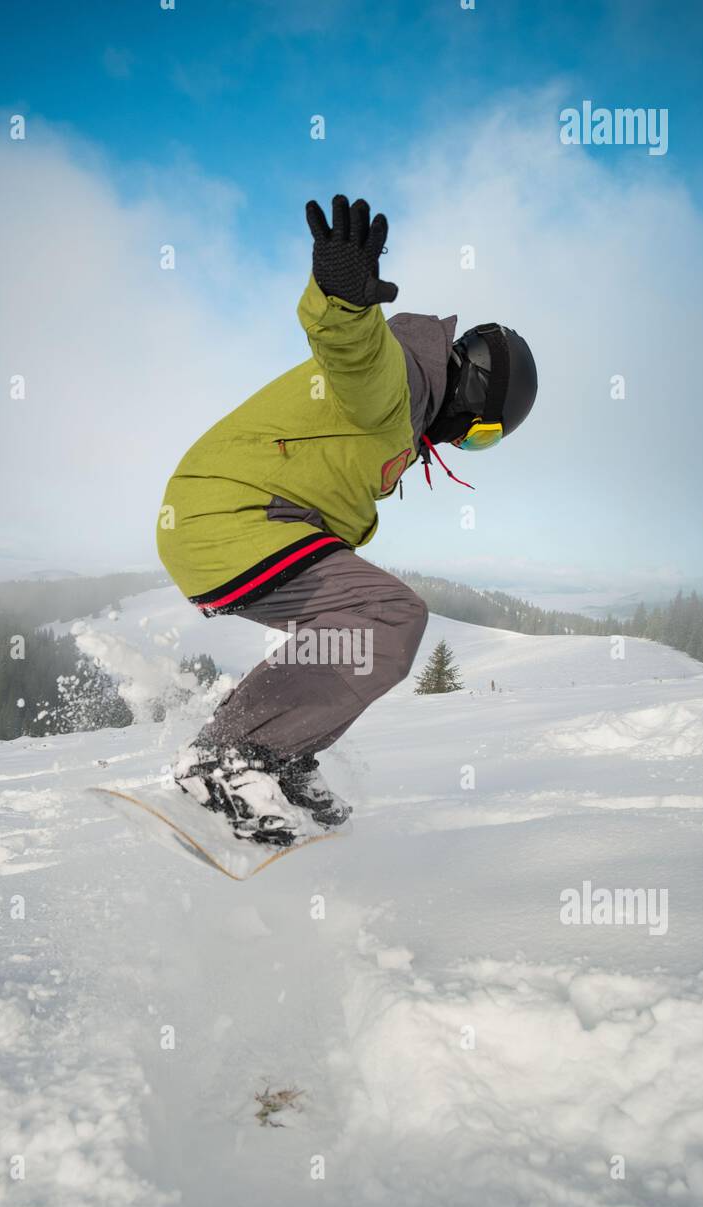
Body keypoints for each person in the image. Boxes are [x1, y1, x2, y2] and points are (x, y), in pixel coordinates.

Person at [157, 194, 537, 844]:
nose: (462, 444)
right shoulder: (401, 388)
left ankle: (270, 750)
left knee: (349, 633)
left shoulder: (402, 411)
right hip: (232, 518)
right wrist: (342, 295)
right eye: (481, 434)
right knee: (390, 616)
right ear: (472, 389)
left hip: (224, 524)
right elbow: (356, 349)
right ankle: (229, 755)